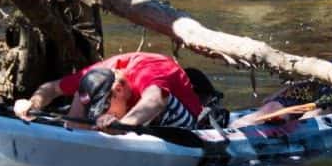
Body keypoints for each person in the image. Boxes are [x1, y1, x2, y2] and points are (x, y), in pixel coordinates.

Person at [13, 52, 203, 130]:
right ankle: (71, 132)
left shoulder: (149, 74)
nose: (101, 112)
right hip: (129, 107)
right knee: (81, 93)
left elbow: (154, 101)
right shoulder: (95, 76)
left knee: (161, 100)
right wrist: (31, 103)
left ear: (119, 89)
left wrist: (121, 126)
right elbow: (51, 88)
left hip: (184, 120)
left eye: (103, 107)